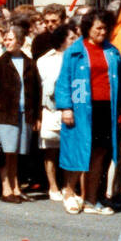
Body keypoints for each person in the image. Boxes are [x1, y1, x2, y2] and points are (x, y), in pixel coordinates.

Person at [55, 8, 121, 215]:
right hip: (81, 107)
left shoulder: (112, 52)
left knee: (100, 153)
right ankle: (69, 192)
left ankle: (92, 199)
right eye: (99, 28)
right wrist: (65, 107)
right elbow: (63, 81)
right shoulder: (74, 52)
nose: (103, 32)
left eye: (106, 28)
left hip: (106, 108)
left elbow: (119, 81)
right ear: (88, 28)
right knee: (79, 150)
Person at [0, 22, 42, 203]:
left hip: (24, 114)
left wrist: (37, 116)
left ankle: (16, 187)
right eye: (5, 39)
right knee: (6, 151)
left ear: (21, 41)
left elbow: (36, 91)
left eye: (10, 39)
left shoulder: (30, 63)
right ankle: (6, 188)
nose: (7, 43)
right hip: (5, 115)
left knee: (16, 152)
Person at [37, 21, 77, 201]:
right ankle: (53, 186)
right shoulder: (45, 60)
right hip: (50, 111)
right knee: (51, 150)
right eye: (71, 38)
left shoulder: (78, 58)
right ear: (62, 40)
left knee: (70, 149)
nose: (75, 40)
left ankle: (68, 186)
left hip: (71, 111)